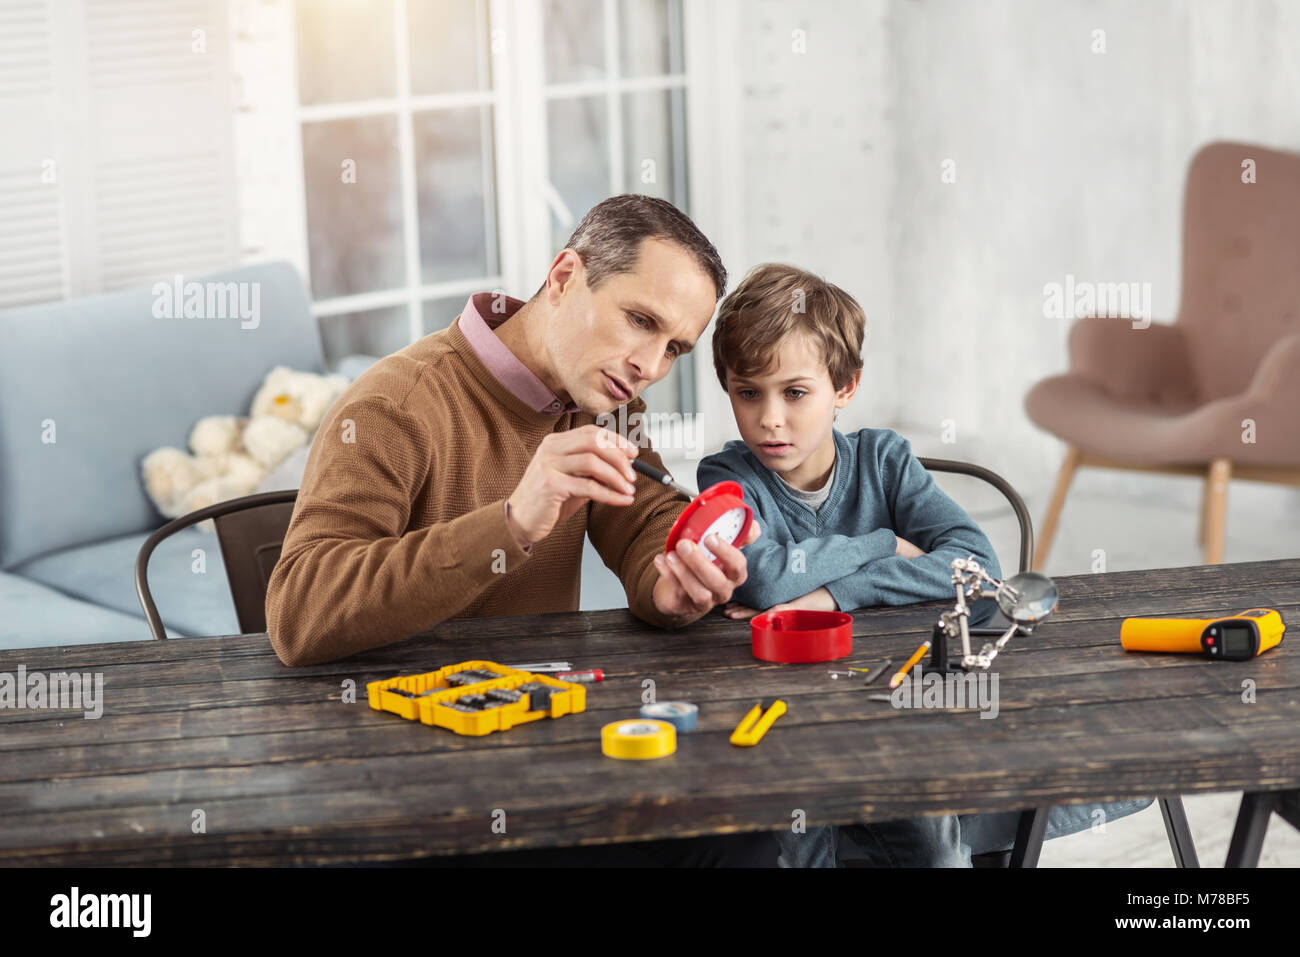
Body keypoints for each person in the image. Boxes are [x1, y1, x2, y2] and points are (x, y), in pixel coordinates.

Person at [265, 195, 778, 866]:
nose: (649, 365)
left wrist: (671, 581)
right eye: (639, 320)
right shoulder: (394, 407)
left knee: (751, 826)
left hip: (541, 739)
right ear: (565, 277)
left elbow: (648, 521)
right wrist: (511, 524)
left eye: (674, 347)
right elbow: (300, 613)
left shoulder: (603, 404)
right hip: (401, 770)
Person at [698, 262, 1151, 866]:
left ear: (845, 388)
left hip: (902, 713)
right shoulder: (727, 476)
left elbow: (975, 562)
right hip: (790, 728)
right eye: (747, 392)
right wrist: (881, 543)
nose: (769, 418)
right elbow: (765, 576)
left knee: (938, 838)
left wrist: (832, 596)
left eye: (795, 392)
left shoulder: (883, 459)